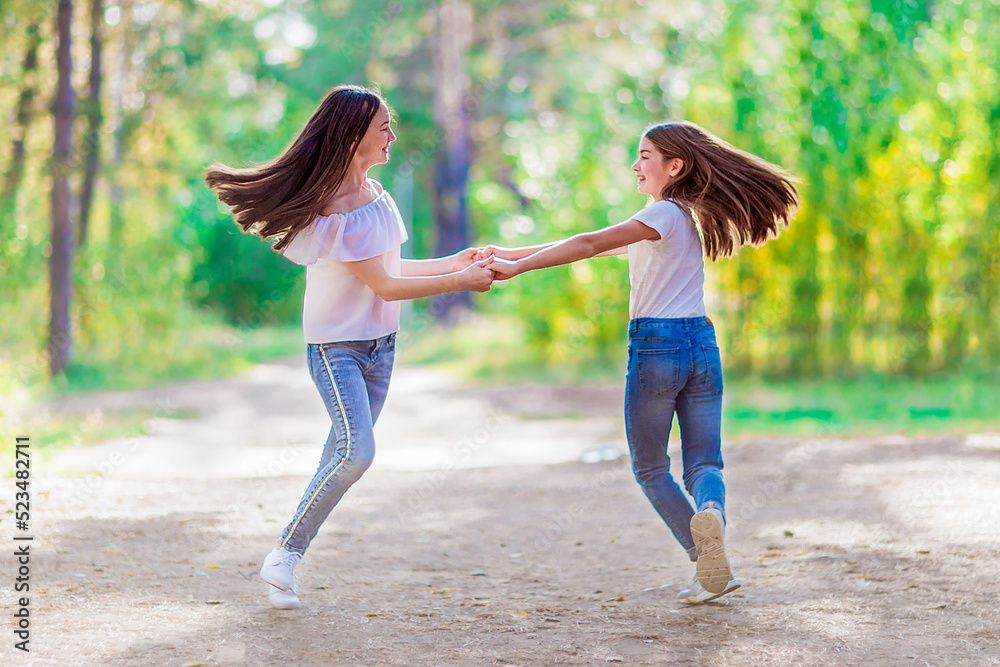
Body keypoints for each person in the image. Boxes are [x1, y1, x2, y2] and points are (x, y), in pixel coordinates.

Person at [205, 85, 495, 609]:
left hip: (381, 347)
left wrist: (455, 262)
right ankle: (284, 556)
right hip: (335, 349)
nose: (392, 135)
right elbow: (386, 287)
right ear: (354, 135)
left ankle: (283, 561)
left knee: (339, 454)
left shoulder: (377, 196)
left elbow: (390, 268)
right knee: (357, 452)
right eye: (384, 127)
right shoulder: (333, 211)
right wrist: (460, 282)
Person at [485, 120, 798, 602]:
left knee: (651, 467)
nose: (635, 165)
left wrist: (517, 267)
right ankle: (711, 514)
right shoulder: (679, 219)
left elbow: (588, 243)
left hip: (658, 346)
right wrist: (507, 253)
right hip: (701, 343)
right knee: (704, 462)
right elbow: (589, 245)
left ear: (676, 166)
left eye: (645, 156)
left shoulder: (663, 214)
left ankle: (703, 555)